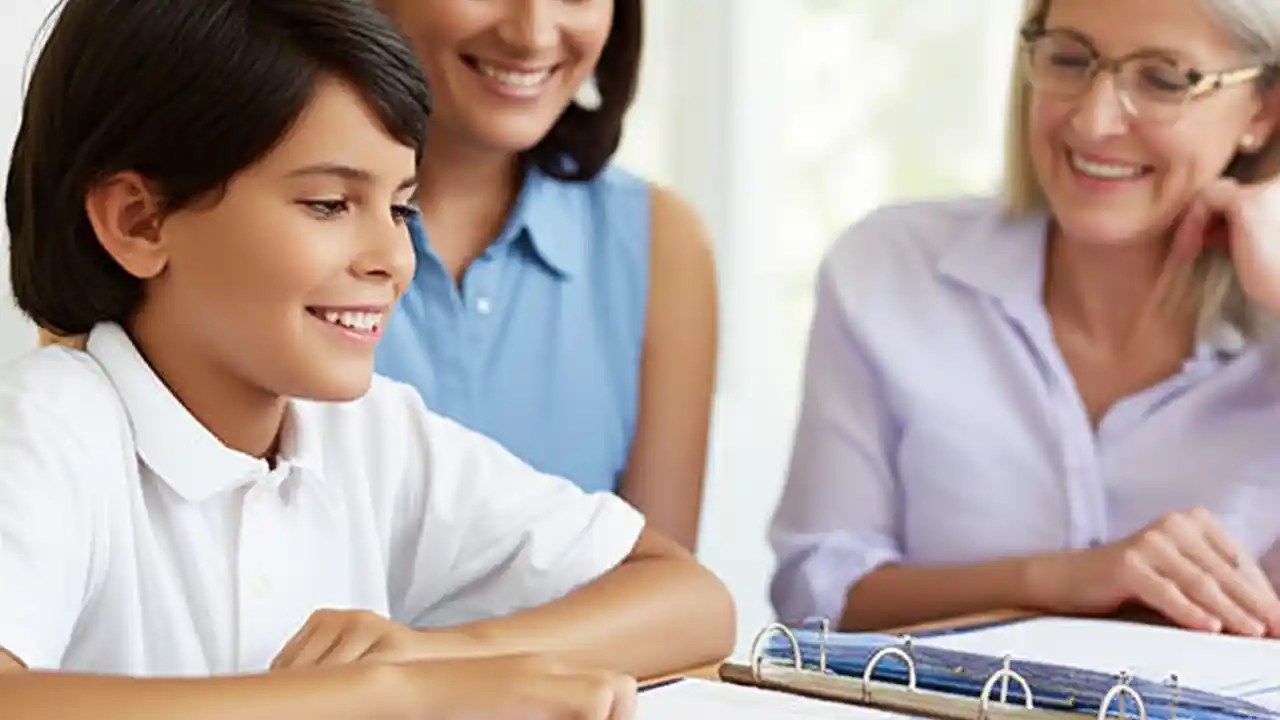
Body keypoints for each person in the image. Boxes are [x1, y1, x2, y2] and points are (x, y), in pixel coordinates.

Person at [0, 1, 735, 718]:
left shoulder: (369, 434)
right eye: (327, 204)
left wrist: (436, 659)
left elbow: (693, 602)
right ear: (140, 220)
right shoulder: (50, 427)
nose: (393, 258)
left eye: (400, 208)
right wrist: (384, 698)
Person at [770, 0, 1280, 638]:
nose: (1093, 122)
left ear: (1262, 110)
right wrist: (1061, 580)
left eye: (1163, 78)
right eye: (1069, 58)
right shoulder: (888, 270)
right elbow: (816, 590)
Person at [370, 0, 717, 551]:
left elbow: (665, 605)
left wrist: (446, 646)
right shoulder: (253, 219)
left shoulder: (659, 243)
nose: (531, 35)